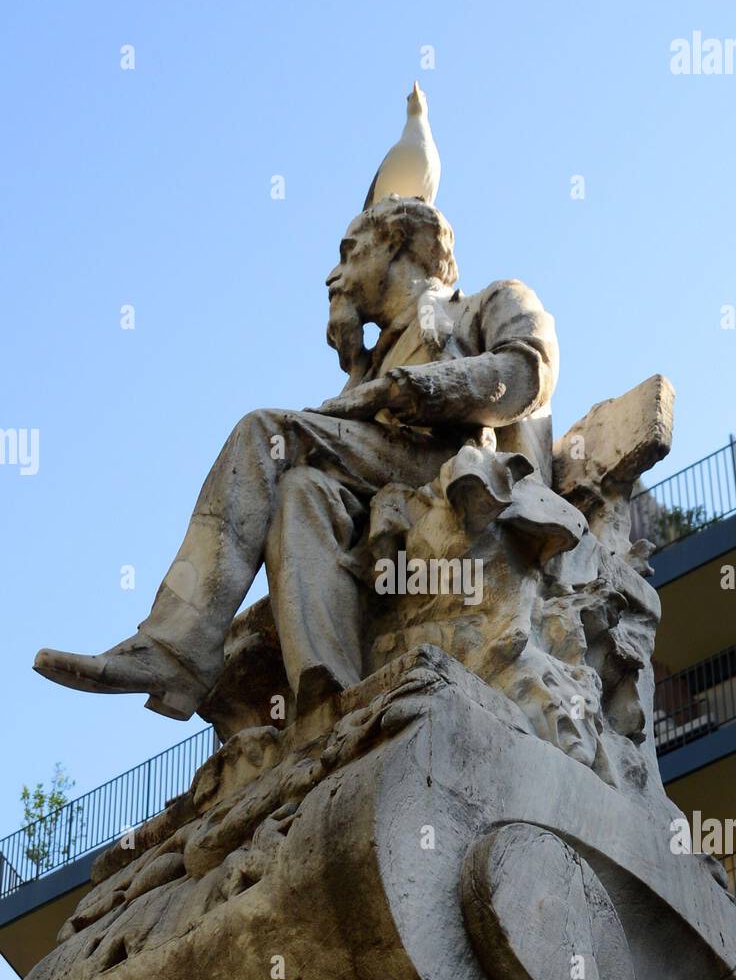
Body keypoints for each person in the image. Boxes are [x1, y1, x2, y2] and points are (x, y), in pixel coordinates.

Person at [34, 197, 560, 718]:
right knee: (299, 490)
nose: (334, 276)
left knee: (264, 433)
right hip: (379, 485)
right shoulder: (371, 362)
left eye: (350, 254)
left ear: (398, 245)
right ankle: (328, 693)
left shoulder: (491, 299)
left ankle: (176, 649)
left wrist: (396, 388)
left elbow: (525, 375)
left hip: (450, 468)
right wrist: (358, 367)